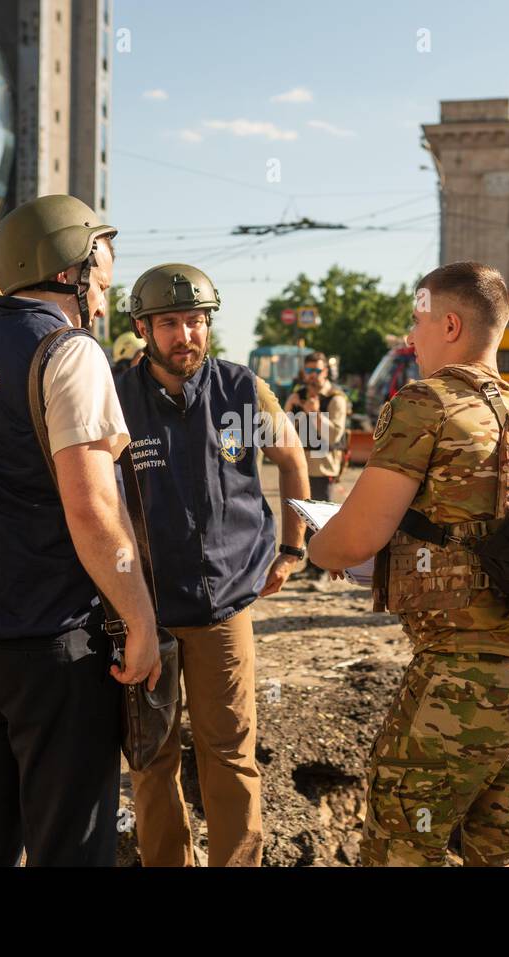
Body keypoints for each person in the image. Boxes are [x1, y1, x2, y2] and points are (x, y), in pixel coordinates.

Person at [0, 194, 160, 866]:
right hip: (52, 641)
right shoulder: (68, 351)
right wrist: (140, 619)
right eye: (101, 283)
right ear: (68, 272)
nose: (103, 302)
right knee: (69, 840)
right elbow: (93, 508)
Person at [308, 261, 509, 866]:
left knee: (401, 851)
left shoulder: (424, 404)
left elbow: (353, 541)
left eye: (418, 320)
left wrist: (314, 545)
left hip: (467, 681)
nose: (411, 336)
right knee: (505, 854)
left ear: (450, 325)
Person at [117, 263, 309, 867]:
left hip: (224, 607)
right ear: (143, 328)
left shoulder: (242, 390)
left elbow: (292, 458)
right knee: (152, 760)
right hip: (144, 612)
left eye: (196, 320)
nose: (186, 335)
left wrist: (293, 548)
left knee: (229, 754)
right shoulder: (114, 397)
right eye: (170, 323)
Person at [284, 351, 350, 584]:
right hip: (300, 465)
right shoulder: (298, 395)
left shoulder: (335, 398)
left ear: (326, 372)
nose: (313, 375)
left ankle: (324, 570)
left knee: (322, 521)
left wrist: (315, 414)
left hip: (323, 466)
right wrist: (289, 407)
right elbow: (283, 431)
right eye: (309, 370)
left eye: (317, 370)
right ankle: (312, 565)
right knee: (303, 518)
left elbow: (335, 435)